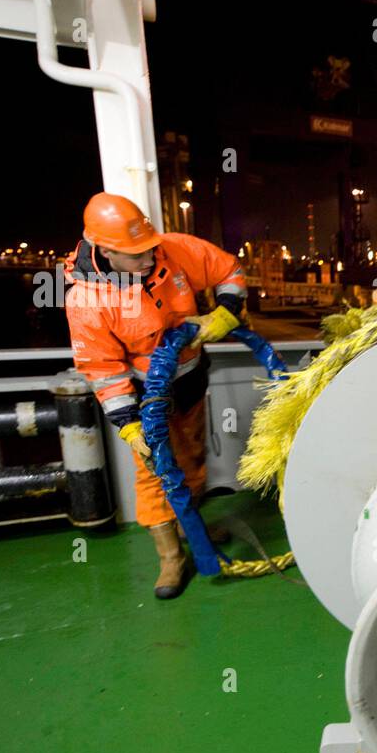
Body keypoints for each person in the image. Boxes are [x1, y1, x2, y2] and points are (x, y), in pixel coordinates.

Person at [63, 192, 247, 599]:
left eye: (149, 248)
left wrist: (227, 310)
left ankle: (191, 528)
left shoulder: (172, 250)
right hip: (146, 400)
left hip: (191, 382)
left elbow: (229, 270)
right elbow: (103, 370)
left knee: (194, 459)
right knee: (156, 474)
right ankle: (171, 557)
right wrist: (129, 426)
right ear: (106, 251)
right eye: (137, 255)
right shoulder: (87, 301)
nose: (149, 258)